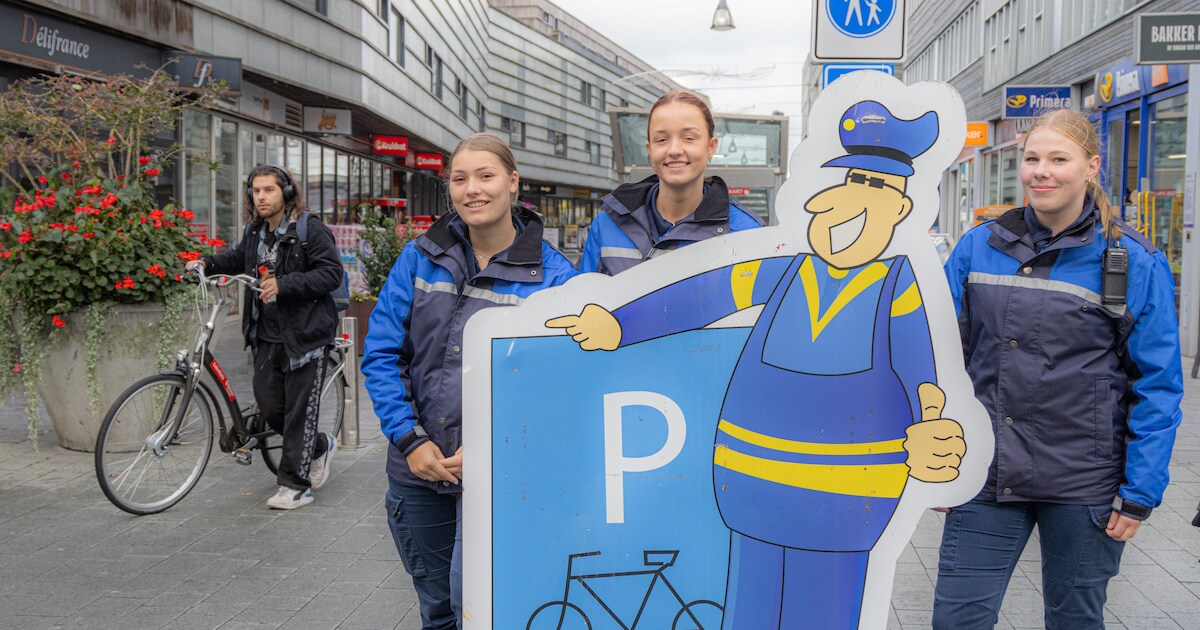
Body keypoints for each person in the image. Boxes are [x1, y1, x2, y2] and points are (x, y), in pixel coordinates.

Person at [548, 100, 966, 629]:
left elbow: (921, 373)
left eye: (874, 187)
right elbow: (707, 294)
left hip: (845, 502)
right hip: (753, 492)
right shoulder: (784, 272)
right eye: (847, 181)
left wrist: (933, 430)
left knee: (824, 613)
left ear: (901, 209)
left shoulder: (896, 289)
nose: (847, 201)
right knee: (749, 611)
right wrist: (622, 325)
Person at [933, 109, 1183, 629]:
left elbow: (1157, 385)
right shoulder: (978, 246)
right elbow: (939, 357)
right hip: (986, 475)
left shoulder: (1133, 261)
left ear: (1091, 166)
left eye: (1057, 159)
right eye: (1031, 159)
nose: (1040, 171)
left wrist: (1139, 493)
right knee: (958, 620)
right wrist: (943, 467)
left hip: (1084, 485)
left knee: (1074, 620)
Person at [362, 133, 577, 630]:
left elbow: (561, 391)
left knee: (482, 609)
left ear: (513, 182)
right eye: (460, 179)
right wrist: (410, 439)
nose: (472, 189)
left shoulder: (554, 279)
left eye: (486, 176)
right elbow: (381, 354)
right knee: (438, 610)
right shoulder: (420, 257)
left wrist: (496, 452)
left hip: (504, 476)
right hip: (419, 469)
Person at [186, 164, 343, 510]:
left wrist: (285, 284)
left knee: (299, 412)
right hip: (266, 335)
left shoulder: (309, 229)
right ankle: (319, 447)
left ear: (286, 193)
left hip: (306, 335)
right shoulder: (256, 231)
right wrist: (205, 263)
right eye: (256, 191)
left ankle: (294, 486)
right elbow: (238, 258)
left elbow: (331, 274)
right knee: (272, 408)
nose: (261, 197)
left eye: (269, 190)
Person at [578, 90, 763, 275]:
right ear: (649, 149)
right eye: (662, 140)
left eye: (689, 138)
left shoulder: (747, 232)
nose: (674, 150)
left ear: (711, 146)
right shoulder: (608, 224)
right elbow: (584, 300)